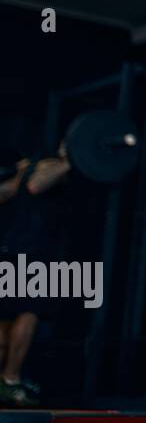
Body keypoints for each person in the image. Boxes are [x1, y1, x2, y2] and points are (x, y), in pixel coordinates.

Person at [0, 148, 69, 407]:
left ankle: (6, 380)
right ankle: (10, 378)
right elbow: (34, 185)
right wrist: (69, 162)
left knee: (10, 316)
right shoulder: (43, 168)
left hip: (22, 251)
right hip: (25, 254)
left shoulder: (51, 167)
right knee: (27, 314)